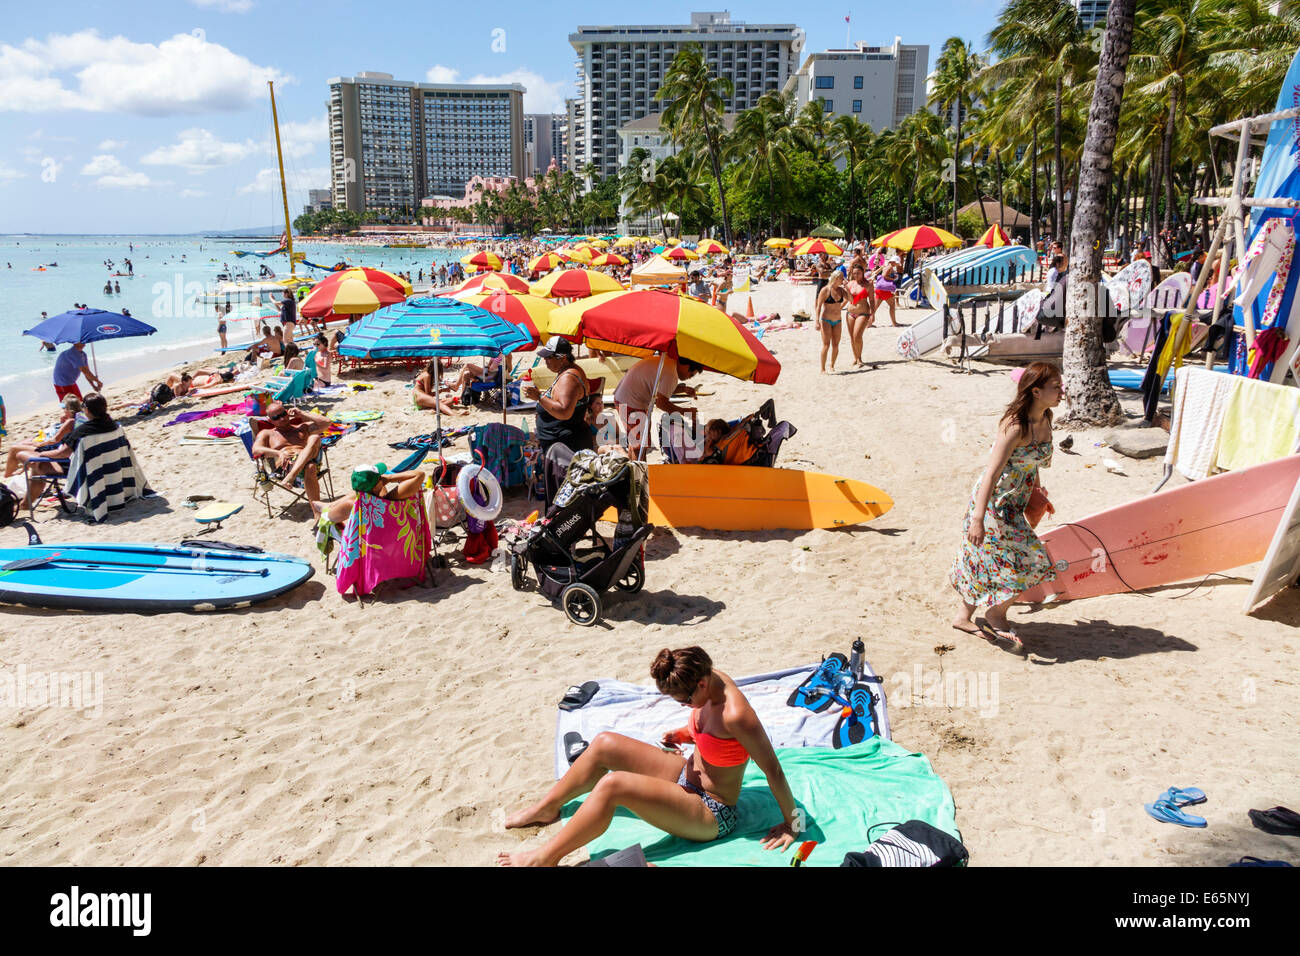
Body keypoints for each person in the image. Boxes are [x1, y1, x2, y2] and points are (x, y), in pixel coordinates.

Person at [498, 646, 798, 866]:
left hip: (712, 811)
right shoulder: (708, 676)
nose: (684, 706)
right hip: (685, 776)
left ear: (702, 684)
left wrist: (792, 824)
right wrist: (685, 732)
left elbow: (774, 770)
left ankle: (544, 859)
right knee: (603, 743)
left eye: (685, 700)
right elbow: (709, 729)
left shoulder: (737, 715)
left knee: (614, 786)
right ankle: (547, 807)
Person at [949, 362, 1063, 649]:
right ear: (1036, 391)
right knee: (1018, 560)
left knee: (1008, 560)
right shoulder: (1015, 426)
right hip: (992, 505)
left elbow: (1034, 462)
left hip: (1015, 503)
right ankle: (995, 615)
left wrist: (1037, 494)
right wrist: (977, 519)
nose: (1062, 392)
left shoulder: (1046, 419)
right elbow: (990, 473)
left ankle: (964, 616)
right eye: (1056, 387)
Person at [23, 392, 116, 509]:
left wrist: (40, 453)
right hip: (108, 463)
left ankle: (25, 505)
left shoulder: (82, 431)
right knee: (34, 459)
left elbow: (62, 454)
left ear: (86, 410)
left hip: (83, 467)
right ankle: (26, 503)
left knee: (28, 458)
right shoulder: (112, 425)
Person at [612, 355, 701, 457]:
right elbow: (661, 403)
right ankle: (640, 471)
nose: (688, 378)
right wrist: (684, 411)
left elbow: (660, 388)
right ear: (687, 366)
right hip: (631, 401)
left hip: (625, 398)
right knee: (640, 446)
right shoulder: (671, 374)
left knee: (637, 442)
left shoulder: (668, 362)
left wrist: (683, 389)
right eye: (691, 375)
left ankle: (634, 470)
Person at [522, 336, 592, 456]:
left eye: (548, 357)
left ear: (562, 358)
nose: (545, 361)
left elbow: (564, 411)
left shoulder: (569, 378)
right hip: (563, 445)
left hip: (566, 448)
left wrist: (539, 397)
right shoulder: (568, 372)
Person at [252, 401, 330, 501]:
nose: (282, 418)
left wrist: (302, 413)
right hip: (286, 468)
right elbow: (256, 450)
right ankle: (317, 513)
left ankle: (291, 476)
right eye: (276, 417)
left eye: (284, 414)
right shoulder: (267, 433)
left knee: (315, 438)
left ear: (287, 412)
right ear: (270, 420)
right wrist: (279, 453)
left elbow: (327, 422)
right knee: (310, 467)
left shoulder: (302, 427)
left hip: (302, 466)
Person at [311, 465, 426, 524]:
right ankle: (330, 505)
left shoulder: (354, 506)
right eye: (381, 477)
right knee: (367, 495)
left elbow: (329, 518)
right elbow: (419, 475)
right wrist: (390, 478)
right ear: (376, 487)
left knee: (350, 502)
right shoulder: (391, 499)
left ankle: (329, 506)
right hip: (390, 537)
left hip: (368, 541)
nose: (384, 477)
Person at [814, 270, 848, 374]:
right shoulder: (825, 290)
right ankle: (822, 368)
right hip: (826, 320)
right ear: (836, 278)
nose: (843, 280)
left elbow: (851, 299)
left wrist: (847, 287)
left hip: (838, 320)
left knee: (836, 345)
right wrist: (816, 321)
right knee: (826, 345)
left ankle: (832, 365)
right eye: (842, 278)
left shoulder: (841, 290)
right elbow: (818, 306)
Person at [844, 262, 876, 367]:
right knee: (852, 337)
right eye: (854, 273)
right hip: (850, 312)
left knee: (857, 336)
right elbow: (847, 299)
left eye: (858, 273)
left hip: (863, 312)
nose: (856, 275)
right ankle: (856, 357)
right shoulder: (850, 284)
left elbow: (871, 300)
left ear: (863, 273)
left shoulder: (868, 284)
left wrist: (873, 313)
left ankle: (860, 358)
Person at [875, 255, 903, 327]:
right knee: (892, 306)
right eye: (896, 263)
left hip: (880, 289)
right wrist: (892, 279)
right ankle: (894, 323)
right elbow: (884, 275)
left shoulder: (885, 266)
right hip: (885, 290)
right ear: (893, 262)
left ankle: (868, 323)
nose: (897, 264)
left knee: (874, 308)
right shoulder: (890, 267)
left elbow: (879, 273)